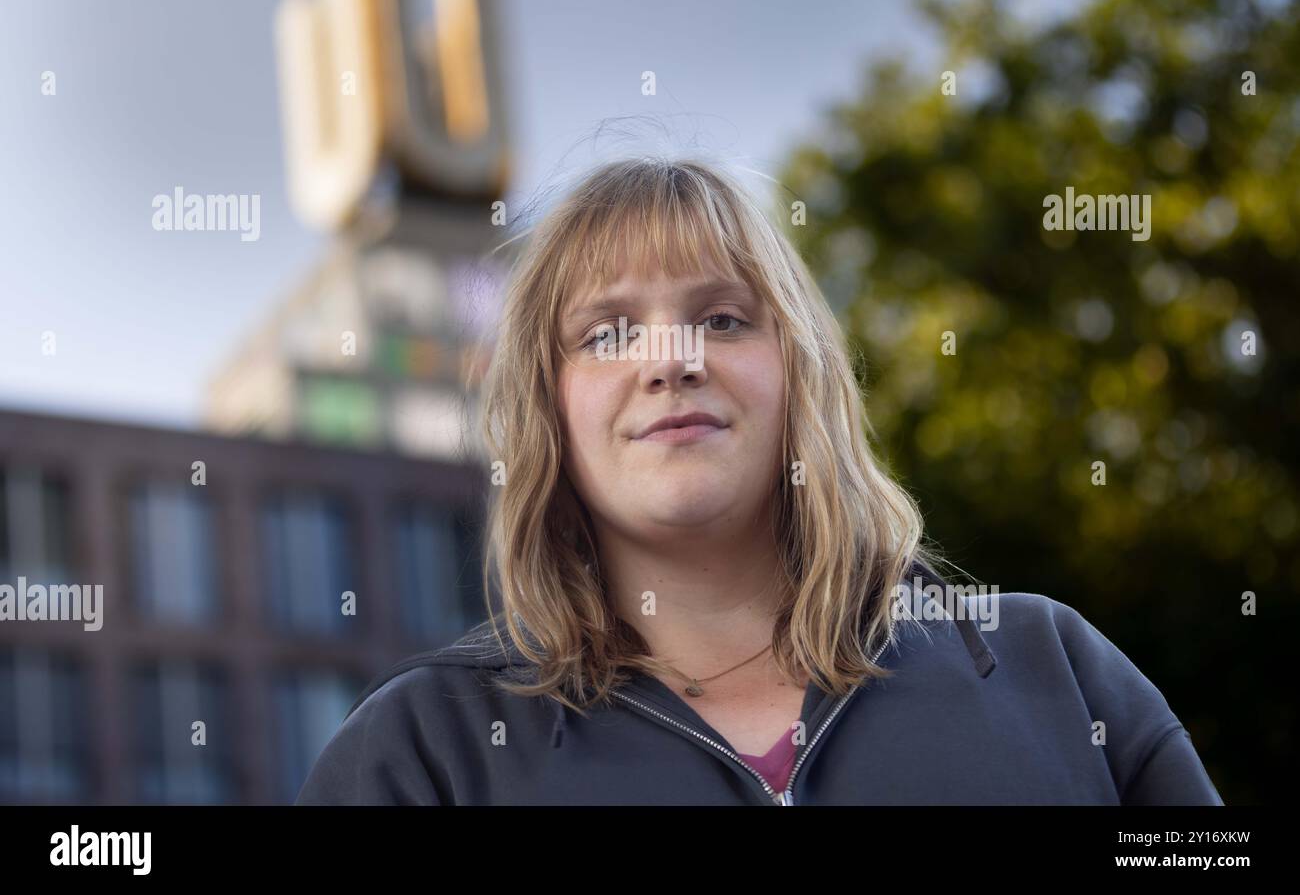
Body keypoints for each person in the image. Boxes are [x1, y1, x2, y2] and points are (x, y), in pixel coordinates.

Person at [295, 156, 1223, 805]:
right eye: (607, 333)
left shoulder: (1050, 668)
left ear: (801, 377)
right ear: (548, 411)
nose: (671, 363)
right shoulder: (424, 755)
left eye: (724, 319)